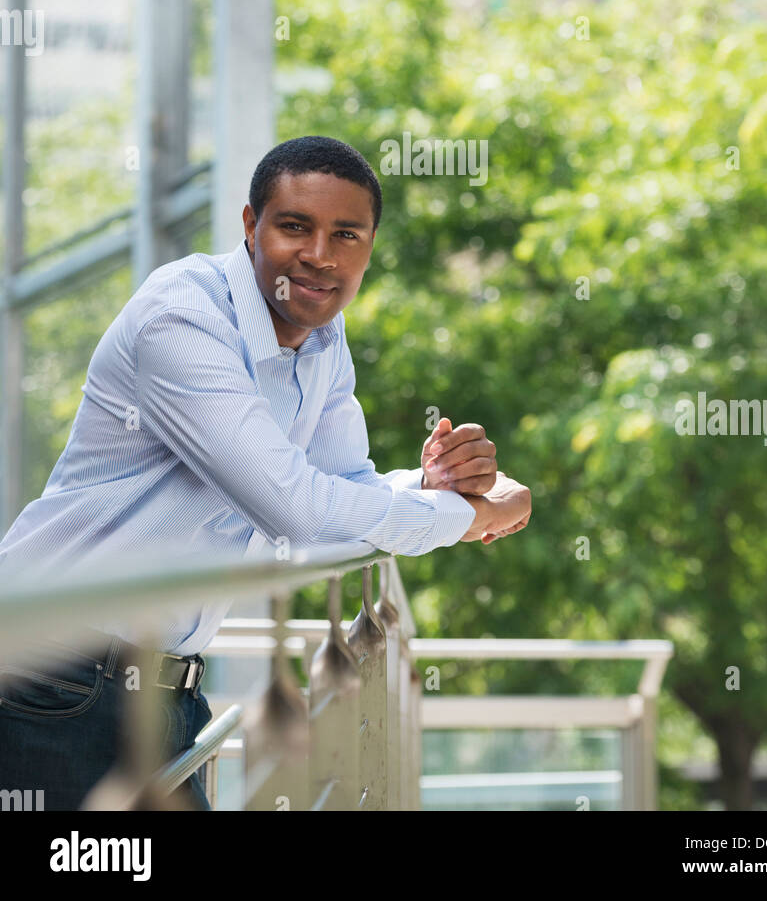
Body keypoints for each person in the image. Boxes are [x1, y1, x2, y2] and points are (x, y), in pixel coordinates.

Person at [0, 135, 532, 809]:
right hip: (52, 677)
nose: (319, 254)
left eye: (347, 235)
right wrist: (469, 517)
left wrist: (432, 490)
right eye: (293, 227)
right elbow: (297, 512)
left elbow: (347, 489)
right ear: (250, 226)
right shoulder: (183, 319)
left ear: (370, 247)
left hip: (159, 685)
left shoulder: (322, 342)